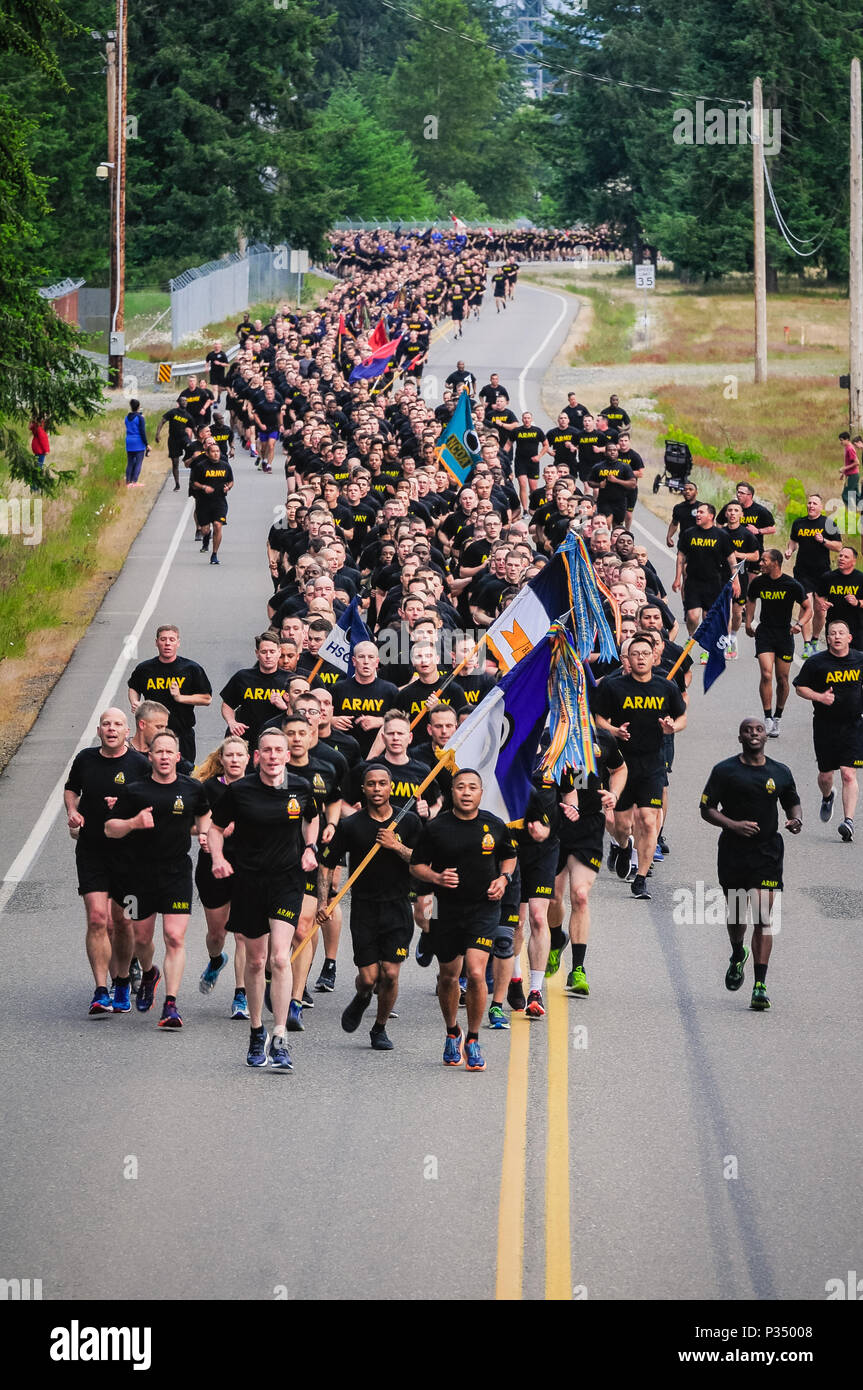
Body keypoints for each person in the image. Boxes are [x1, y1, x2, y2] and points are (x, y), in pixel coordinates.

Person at [208, 728, 319, 1071]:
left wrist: (311, 847)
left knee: (280, 958)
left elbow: (312, 818)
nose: (272, 756)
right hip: (249, 882)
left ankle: (280, 1035)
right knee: (256, 962)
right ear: (258, 757)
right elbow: (214, 828)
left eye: (278, 751)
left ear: (288, 755)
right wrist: (217, 858)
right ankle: (257, 1030)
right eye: (266, 751)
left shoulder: (300, 787)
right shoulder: (240, 791)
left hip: (287, 881)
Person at [410, 769, 518, 1072]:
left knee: (474, 971)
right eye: (460, 787)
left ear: (481, 793)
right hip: (446, 910)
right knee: (448, 976)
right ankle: (451, 1031)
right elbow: (416, 865)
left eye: (473, 787)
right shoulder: (436, 828)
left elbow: (510, 855)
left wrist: (504, 878)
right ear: (452, 792)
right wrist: (435, 877)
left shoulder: (494, 825)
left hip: (483, 909)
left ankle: (472, 1039)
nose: (466, 792)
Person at [105, 730, 210, 1029]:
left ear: (178, 757)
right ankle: (149, 972)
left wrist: (203, 832)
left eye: (169, 752)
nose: (164, 757)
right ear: (149, 757)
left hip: (176, 871)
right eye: (158, 752)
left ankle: (171, 1004)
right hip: (137, 874)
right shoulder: (135, 791)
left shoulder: (192, 788)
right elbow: (110, 829)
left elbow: (205, 812)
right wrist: (134, 822)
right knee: (141, 939)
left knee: (175, 937)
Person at [700, 719, 802, 1012]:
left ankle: (760, 985)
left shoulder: (780, 772)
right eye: (748, 730)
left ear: (765, 736)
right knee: (735, 914)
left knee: (762, 915)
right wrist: (733, 825)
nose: (754, 734)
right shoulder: (725, 771)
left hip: (767, 851)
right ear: (740, 737)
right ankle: (737, 952)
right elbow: (706, 808)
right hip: (733, 850)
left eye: (758, 730)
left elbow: (792, 802)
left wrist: (796, 819)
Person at [317, 767, 422, 1050]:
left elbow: (424, 862)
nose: (377, 788)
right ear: (363, 789)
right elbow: (326, 864)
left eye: (382, 784)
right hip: (364, 909)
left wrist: (396, 845)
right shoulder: (352, 826)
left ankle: (380, 1027)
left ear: (390, 787)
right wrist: (323, 903)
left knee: (390, 973)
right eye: (371, 784)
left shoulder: (408, 822)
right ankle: (363, 996)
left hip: (398, 908)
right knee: (368, 978)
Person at [63, 709, 146, 1016]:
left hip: (129, 855)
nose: (112, 729)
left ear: (128, 731)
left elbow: (151, 801)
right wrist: (72, 810)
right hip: (92, 850)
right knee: (98, 919)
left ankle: (122, 980)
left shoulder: (139, 764)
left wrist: (125, 805)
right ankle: (101, 990)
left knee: (123, 922)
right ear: (98, 730)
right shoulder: (85, 759)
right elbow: (72, 788)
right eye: (106, 724)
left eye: (118, 725)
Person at [593, 635, 687, 899]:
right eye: (635, 654)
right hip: (620, 765)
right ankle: (622, 846)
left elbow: (682, 718)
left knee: (647, 819)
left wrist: (672, 728)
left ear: (654, 656)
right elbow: (598, 718)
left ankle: (641, 878)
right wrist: (614, 731)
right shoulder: (613, 686)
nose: (641, 658)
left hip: (652, 763)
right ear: (628, 659)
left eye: (646, 653)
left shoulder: (665, 687)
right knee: (621, 824)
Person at [547, 735, 627, 997]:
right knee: (553, 897)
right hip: (556, 823)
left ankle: (578, 969)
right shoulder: (550, 737)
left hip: (589, 825)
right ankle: (556, 939)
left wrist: (614, 794)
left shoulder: (603, 738)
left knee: (580, 896)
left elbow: (619, 768)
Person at [193, 737, 251, 1019]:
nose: (235, 760)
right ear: (222, 759)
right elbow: (193, 824)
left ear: (248, 759)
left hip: (247, 866)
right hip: (212, 866)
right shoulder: (208, 788)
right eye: (230, 755)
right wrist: (205, 835)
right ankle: (216, 960)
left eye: (240, 755)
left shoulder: (257, 787)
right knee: (218, 934)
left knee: (242, 934)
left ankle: (240, 995)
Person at [793, 618, 863, 841]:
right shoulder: (816, 663)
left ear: (849, 638)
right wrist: (819, 697)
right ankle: (827, 796)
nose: (837, 636)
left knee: (848, 773)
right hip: (825, 725)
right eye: (832, 633)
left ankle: (848, 822)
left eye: (841, 633)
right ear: (828, 637)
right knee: (826, 775)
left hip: (853, 724)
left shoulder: (860, 659)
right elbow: (800, 687)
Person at [744, 551, 811, 737]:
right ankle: (767, 717)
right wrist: (749, 622)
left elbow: (808, 607)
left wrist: (800, 624)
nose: (761, 562)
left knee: (782, 679)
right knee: (766, 673)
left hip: (784, 633)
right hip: (765, 632)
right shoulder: (758, 582)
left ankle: (778, 716)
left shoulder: (791, 584)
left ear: (776, 563)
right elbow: (751, 600)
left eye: (764, 560)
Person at [127, 624, 212, 765]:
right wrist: (135, 702)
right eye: (163, 639)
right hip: (153, 734)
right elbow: (133, 687)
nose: (167, 643)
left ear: (178, 643)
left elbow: (206, 698)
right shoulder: (144, 668)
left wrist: (180, 697)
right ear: (156, 642)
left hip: (182, 734)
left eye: (172, 640)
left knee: (184, 774)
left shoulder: (191, 668)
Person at [784, 493, 842, 656]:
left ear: (821, 507)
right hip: (802, 571)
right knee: (806, 605)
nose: (811, 506)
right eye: (809, 503)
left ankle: (816, 639)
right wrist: (790, 550)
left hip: (823, 573)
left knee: (820, 610)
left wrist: (823, 541)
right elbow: (793, 540)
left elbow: (838, 546)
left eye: (814, 503)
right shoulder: (799, 523)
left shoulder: (828, 523)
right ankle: (807, 644)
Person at [674, 502, 739, 640]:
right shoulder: (689, 534)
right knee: (692, 616)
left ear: (711, 516)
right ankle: (691, 637)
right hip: (693, 581)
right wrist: (677, 578)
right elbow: (681, 556)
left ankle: (706, 649)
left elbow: (732, 560)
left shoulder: (721, 535)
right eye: (697, 512)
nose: (697, 514)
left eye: (701, 512)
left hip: (713, 582)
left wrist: (736, 582)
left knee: (709, 618)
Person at [220, 631, 293, 752]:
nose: (268, 656)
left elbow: (300, 713)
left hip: (276, 741)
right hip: (246, 739)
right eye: (264, 652)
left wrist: (284, 707)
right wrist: (232, 722)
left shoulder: (290, 680)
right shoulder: (243, 677)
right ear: (257, 653)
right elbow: (227, 704)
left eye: (272, 652)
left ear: (279, 652)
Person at [190, 441, 234, 565]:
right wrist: (204, 487)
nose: (216, 454)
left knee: (217, 525)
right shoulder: (201, 466)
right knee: (205, 529)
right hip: (203, 502)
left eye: (218, 451)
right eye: (213, 452)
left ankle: (214, 554)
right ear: (208, 454)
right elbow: (194, 483)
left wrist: (228, 487)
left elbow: (231, 481)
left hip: (219, 501)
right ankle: (205, 538)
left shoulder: (225, 466)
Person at [154, 398, 194, 491]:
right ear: (178, 403)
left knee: (192, 451)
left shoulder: (188, 416)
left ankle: (194, 478)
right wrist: (157, 433)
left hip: (184, 438)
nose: (185, 402)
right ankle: (177, 484)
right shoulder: (173, 412)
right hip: (173, 439)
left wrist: (201, 441)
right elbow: (162, 421)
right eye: (183, 401)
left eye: (186, 401)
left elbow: (194, 428)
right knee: (175, 462)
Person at [124, 399, 150, 487]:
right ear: (138, 407)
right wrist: (147, 444)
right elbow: (142, 432)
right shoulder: (140, 418)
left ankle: (128, 481)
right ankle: (134, 481)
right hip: (138, 442)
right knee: (138, 462)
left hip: (129, 441)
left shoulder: (126, 417)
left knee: (130, 462)